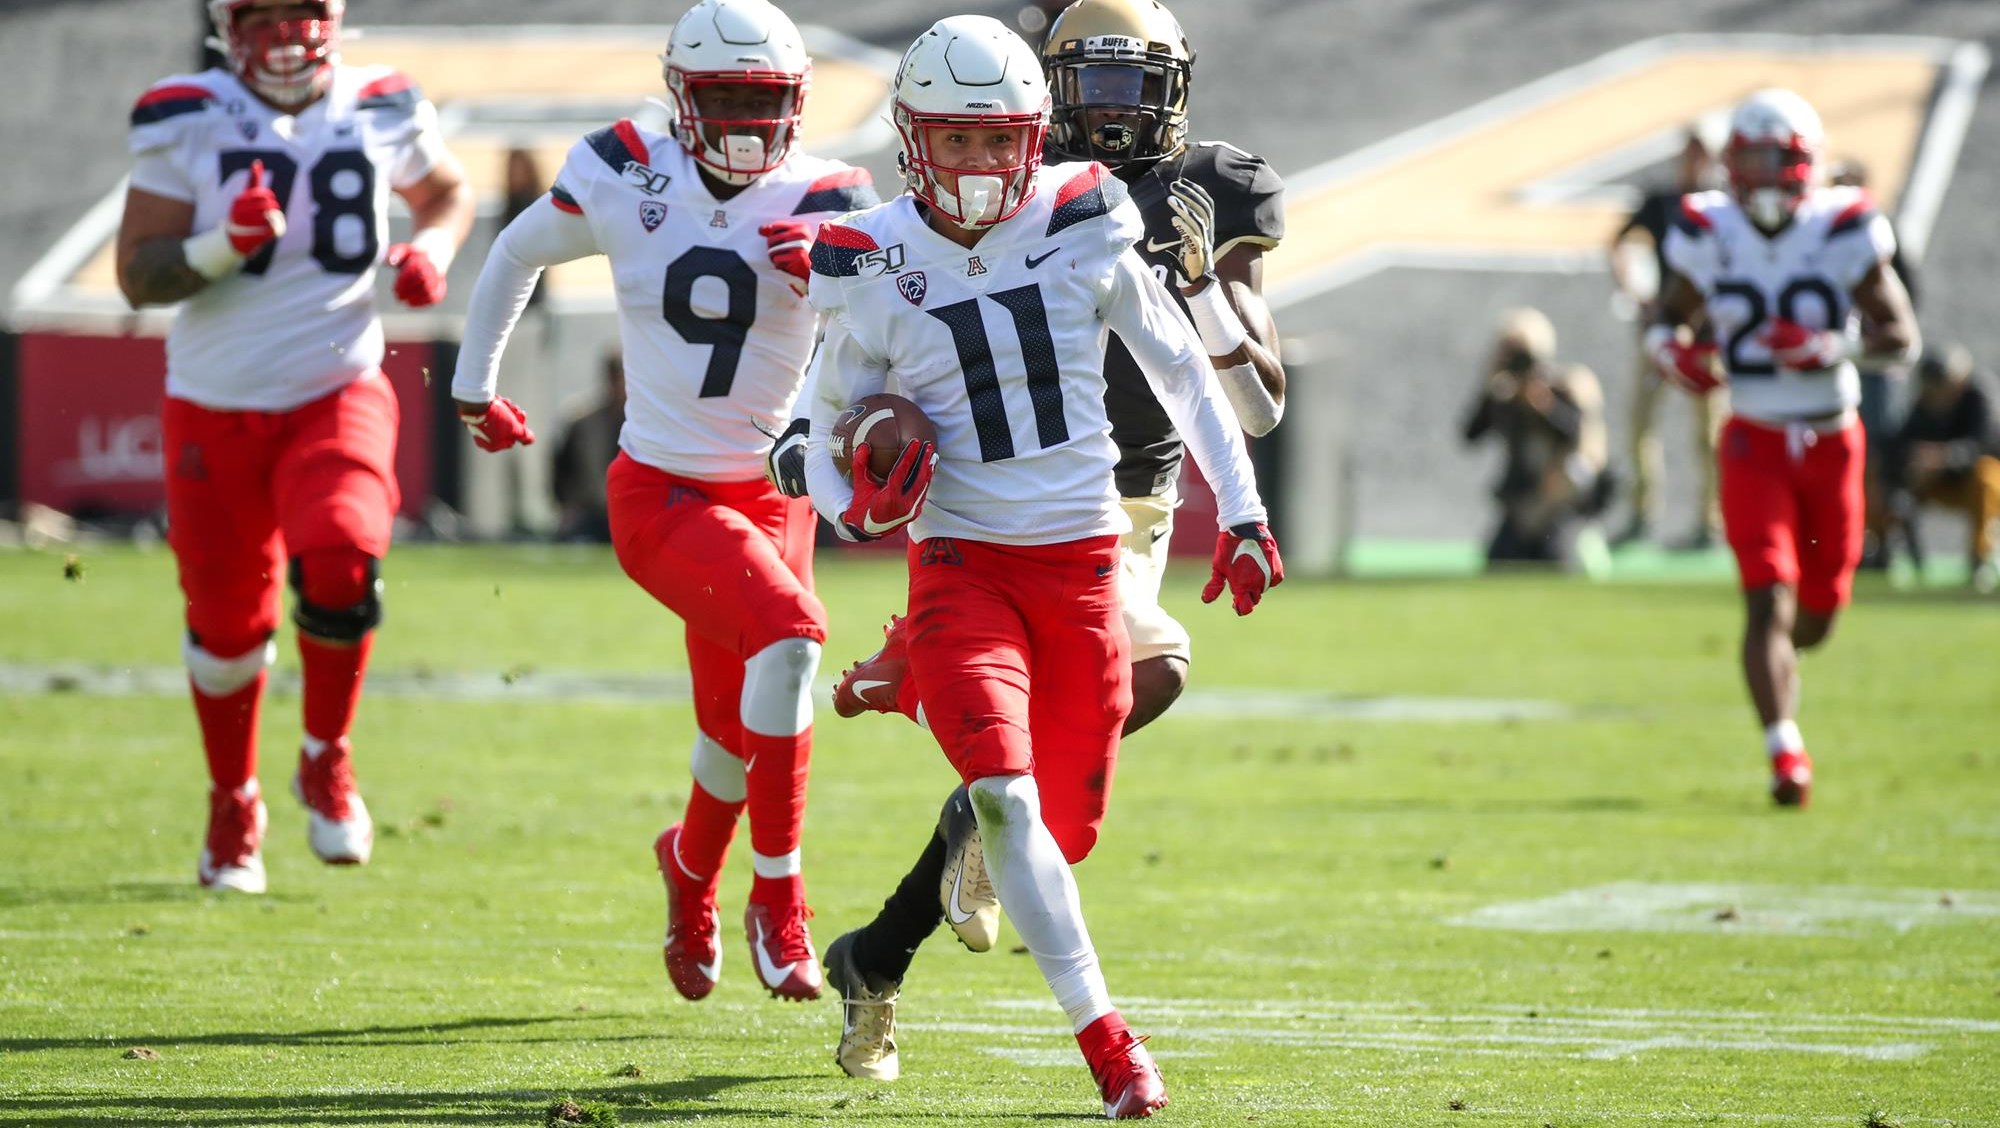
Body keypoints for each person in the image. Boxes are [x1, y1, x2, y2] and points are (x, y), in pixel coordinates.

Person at [783, 0, 1287, 1100]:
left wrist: (1242, 513)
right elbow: (822, 429)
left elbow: (1184, 374)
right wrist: (853, 508)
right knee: (1006, 800)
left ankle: (872, 954)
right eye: (950, 137)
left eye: (992, 137)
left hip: (1086, 562)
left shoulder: (1086, 215)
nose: (972, 161)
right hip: (960, 567)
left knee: (1064, 824)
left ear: (1030, 137)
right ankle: (1108, 1045)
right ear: (913, 140)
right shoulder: (868, 254)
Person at [450, 0, 878, 1003]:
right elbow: (516, 250)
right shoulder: (622, 162)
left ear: (796, 103)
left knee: (737, 728)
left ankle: (689, 867)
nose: (740, 120)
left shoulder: (835, 192)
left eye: (759, 100)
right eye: (721, 97)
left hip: (774, 498)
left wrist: (830, 282)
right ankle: (778, 897)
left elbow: (881, 335)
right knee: (793, 639)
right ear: (680, 100)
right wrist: (474, 385)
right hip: (663, 492)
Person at [117, 0, 473, 893]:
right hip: (214, 404)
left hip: (337, 385)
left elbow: (447, 194)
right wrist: (216, 246)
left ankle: (325, 755)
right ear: (227, 22)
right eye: (263, 15)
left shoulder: (384, 101)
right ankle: (233, 801)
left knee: (345, 557)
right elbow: (139, 272)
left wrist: (431, 249)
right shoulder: (183, 110)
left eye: (301, 11)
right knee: (230, 631)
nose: (286, 34)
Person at [1651, 89, 1919, 807]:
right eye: (1753, 161)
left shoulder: (1843, 226)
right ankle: (1784, 752)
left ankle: (1780, 670)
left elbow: (1901, 337)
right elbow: (1667, 315)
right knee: (1764, 595)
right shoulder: (1711, 228)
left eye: (1781, 160)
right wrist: (1664, 350)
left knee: (1820, 608)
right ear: (1731, 165)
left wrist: (1831, 345)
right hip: (1753, 435)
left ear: (1808, 164)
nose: (1767, 177)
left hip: (1832, 434)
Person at [1608, 129, 1724, 549]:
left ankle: (1710, 522)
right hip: (1661, 333)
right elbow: (1619, 243)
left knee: (1710, 434)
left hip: (1707, 339)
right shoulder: (1661, 203)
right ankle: (1642, 513)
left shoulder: (1720, 209)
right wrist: (1636, 293)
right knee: (1641, 423)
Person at [1824, 159, 1924, 572]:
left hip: (1872, 362)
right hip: (1835, 362)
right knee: (1837, 452)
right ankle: (1850, 540)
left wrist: (1870, 340)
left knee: (1878, 454)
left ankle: (1889, 540)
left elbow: (1904, 309)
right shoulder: (1819, 234)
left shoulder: (1876, 234)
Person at [1461, 308, 1609, 567]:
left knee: (1555, 560)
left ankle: (1586, 536)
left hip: (1559, 502)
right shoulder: (1503, 396)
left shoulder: (1562, 388)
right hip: (1523, 502)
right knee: (1501, 561)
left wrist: (1545, 406)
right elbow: (1470, 435)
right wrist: (1489, 386)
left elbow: (1575, 433)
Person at [1887, 345, 2000, 591]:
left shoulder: (1980, 398)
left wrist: (1943, 458)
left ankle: (1980, 559)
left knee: (1985, 476)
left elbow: (1982, 446)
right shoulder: (1925, 404)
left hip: (1982, 484)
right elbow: (1902, 445)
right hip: (1942, 483)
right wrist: (1914, 462)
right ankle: (1889, 554)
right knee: (1894, 485)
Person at [550, 352, 626, 542]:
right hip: (593, 512)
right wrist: (566, 505)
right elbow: (563, 468)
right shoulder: (583, 422)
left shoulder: (646, 424)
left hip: (633, 510)